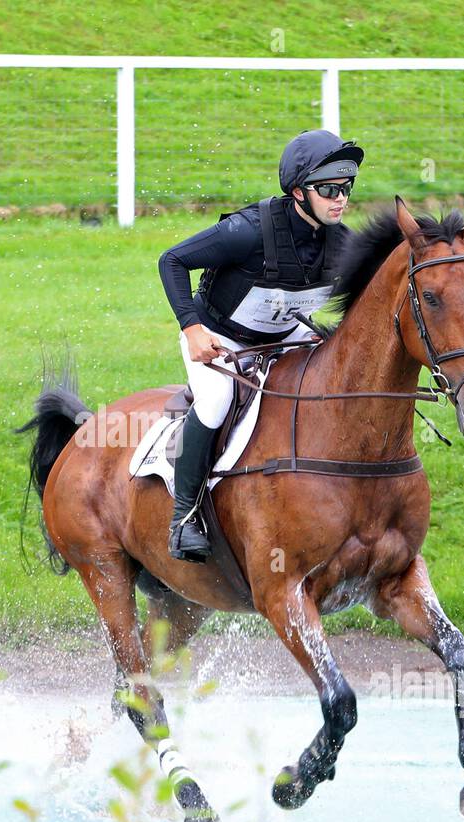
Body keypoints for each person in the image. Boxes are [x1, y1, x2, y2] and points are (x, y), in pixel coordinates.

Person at [157, 129, 365, 562]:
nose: (340, 199)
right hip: (220, 336)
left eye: (346, 188)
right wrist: (192, 328)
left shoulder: (343, 243)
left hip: (286, 336)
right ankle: (184, 517)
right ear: (297, 193)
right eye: (329, 189)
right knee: (216, 402)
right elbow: (171, 260)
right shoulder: (248, 232)